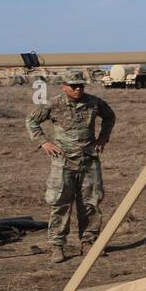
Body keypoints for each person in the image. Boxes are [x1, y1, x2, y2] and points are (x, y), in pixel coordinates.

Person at [26, 70, 115, 263]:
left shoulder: (93, 102)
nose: (77, 89)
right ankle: (57, 245)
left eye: (81, 85)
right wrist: (43, 142)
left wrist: (102, 139)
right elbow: (32, 121)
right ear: (64, 86)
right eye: (73, 85)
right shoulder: (53, 104)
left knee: (90, 203)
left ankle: (89, 242)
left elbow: (109, 117)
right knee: (60, 204)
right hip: (63, 162)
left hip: (89, 160)